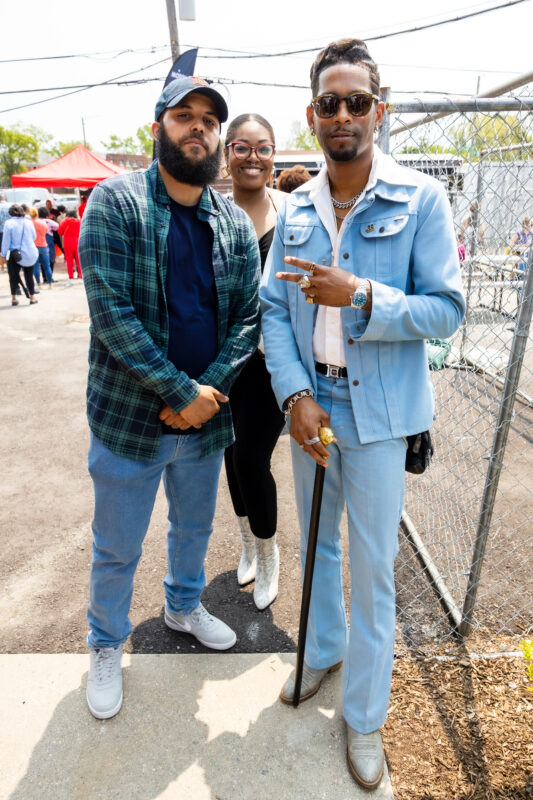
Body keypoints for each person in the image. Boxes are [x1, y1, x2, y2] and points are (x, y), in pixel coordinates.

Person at [260, 38, 466, 790]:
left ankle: (365, 718)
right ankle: (319, 656)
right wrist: (295, 395)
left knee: (373, 569)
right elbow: (272, 314)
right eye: (327, 102)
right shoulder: (294, 207)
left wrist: (364, 298)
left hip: (379, 415)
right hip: (314, 405)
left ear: (379, 111)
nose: (340, 114)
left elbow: (446, 310)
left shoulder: (420, 199)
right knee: (318, 547)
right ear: (310, 115)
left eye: (355, 101)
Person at [79, 75, 260, 721]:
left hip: (204, 424)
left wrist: (203, 399)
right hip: (129, 423)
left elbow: (246, 319)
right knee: (116, 545)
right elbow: (112, 315)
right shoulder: (115, 203)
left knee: (193, 528)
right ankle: (106, 643)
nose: (198, 128)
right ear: (157, 126)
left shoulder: (231, 222)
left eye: (209, 120)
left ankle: (182, 606)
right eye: (184, 115)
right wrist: (182, 392)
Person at [222, 114, 286, 609]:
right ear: (227, 155)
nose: (252, 157)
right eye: (241, 147)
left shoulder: (291, 212)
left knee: (251, 458)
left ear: (273, 156)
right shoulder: (211, 212)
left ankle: (269, 555)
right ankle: (246, 542)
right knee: (229, 455)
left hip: (271, 359)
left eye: (261, 148)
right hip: (222, 359)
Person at [0, 204, 39, 305]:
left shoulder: (9, 223)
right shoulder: (29, 222)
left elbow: (6, 241)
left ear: (11, 213)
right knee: (29, 275)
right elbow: (34, 237)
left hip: (15, 254)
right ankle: (32, 297)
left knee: (13, 276)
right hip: (30, 252)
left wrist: (3, 255)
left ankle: (14, 298)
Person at [31, 207, 53, 286]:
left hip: (33, 246)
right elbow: (46, 231)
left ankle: (38, 283)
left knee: (35, 266)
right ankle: (50, 282)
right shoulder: (43, 223)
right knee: (47, 266)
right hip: (43, 245)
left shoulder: (30, 224)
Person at [58, 209, 82, 284]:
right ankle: (81, 277)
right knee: (79, 260)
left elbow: (60, 232)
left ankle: (71, 278)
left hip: (67, 243)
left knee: (69, 261)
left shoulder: (64, 222)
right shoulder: (79, 221)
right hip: (77, 241)